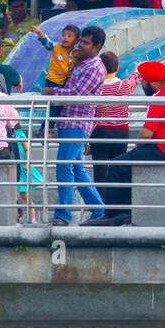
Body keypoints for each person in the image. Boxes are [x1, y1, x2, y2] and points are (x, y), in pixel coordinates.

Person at [87, 61, 165, 225]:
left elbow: (146, 133)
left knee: (116, 165)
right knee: (126, 164)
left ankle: (114, 214)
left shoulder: (159, 98)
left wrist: (136, 146)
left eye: (143, 81)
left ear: (150, 82)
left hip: (162, 150)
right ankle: (125, 211)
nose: (142, 85)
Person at [50, 25, 107, 224]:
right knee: (76, 168)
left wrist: (52, 93)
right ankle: (99, 210)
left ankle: (63, 215)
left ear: (97, 46)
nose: (80, 45)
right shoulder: (82, 63)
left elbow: (77, 94)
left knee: (64, 166)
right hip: (70, 120)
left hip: (78, 121)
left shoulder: (94, 67)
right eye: (80, 41)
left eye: (85, 42)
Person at [90, 51, 141, 192]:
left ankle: (101, 205)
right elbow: (133, 80)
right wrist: (137, 72)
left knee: (100, 171)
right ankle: (116, 205)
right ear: (117, 67)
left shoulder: (96, 87)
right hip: (121, 132)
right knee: (117, 168)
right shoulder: (124, 86)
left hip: (100, 132)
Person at [33, 22, 80, 87]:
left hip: (68, 81)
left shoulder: (77, 52)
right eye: (63, 35)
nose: (65, 37)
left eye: (69, 36)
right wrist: (39, 33)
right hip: (53, 81)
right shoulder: (56, 46)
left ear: (76, 41)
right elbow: (47, 42)